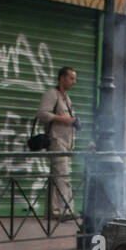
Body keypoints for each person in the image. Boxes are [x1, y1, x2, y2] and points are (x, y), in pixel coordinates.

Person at [36, 66, 79, 221]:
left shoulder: (66, 97)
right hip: (56, 140)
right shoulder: (52, 94)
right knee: (62, 176)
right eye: (71, 78)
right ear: (62, 78)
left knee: (58, 177)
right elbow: (42, 113)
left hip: (66, 142)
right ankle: (64, 210)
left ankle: (53, 211)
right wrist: (64, 119)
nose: (74, 82)